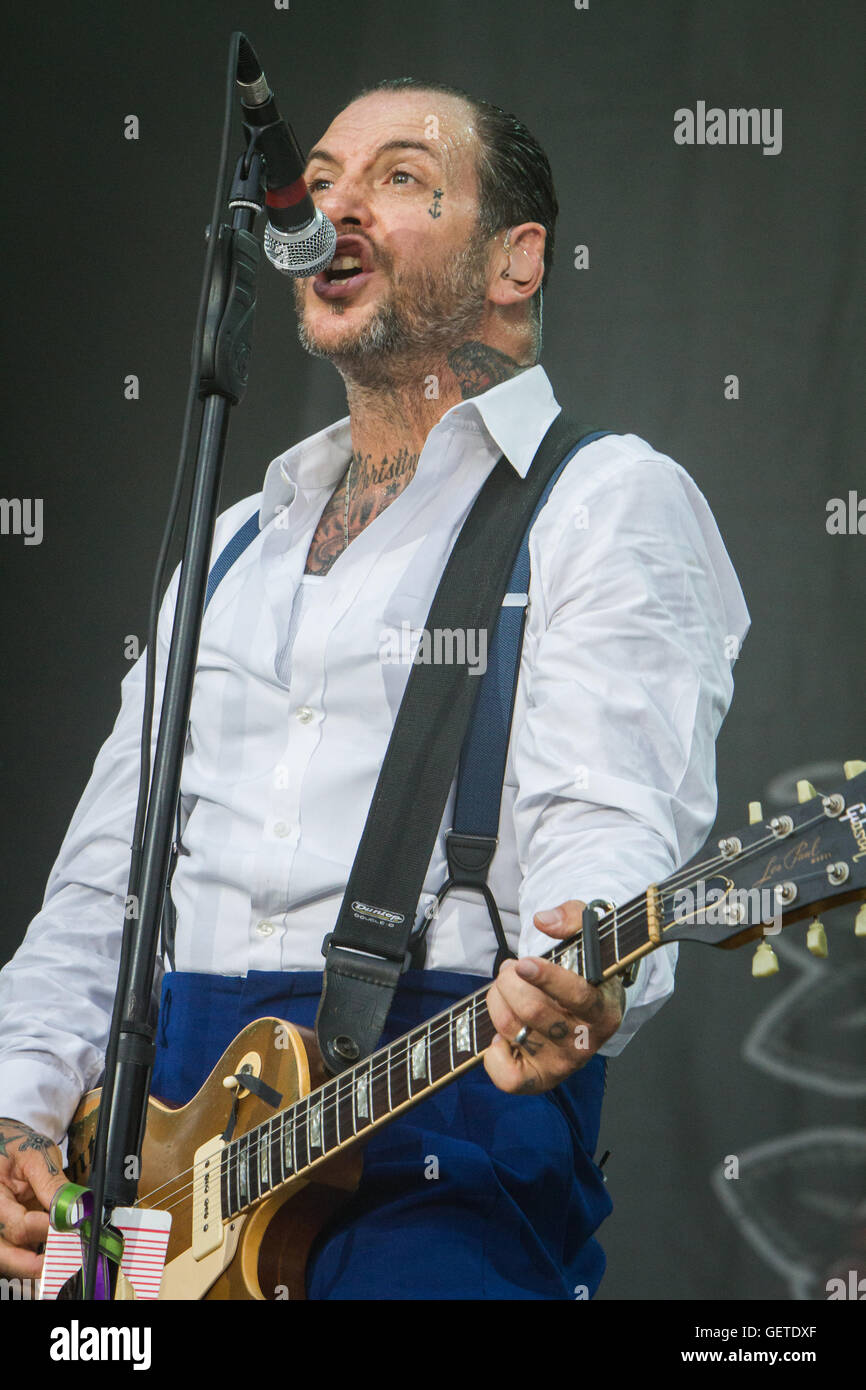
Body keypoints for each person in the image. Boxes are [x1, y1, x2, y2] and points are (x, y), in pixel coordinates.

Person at [0, 78, 749, 1299]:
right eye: (325, 176)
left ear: (516, 261)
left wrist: (587, 971)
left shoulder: (603, 497)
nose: (332, 202)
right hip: (153, 1150)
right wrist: (15, 1112)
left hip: (438, 1126)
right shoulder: (237, 537)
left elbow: (608, 814)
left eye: (398, 176)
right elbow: (106, 886)